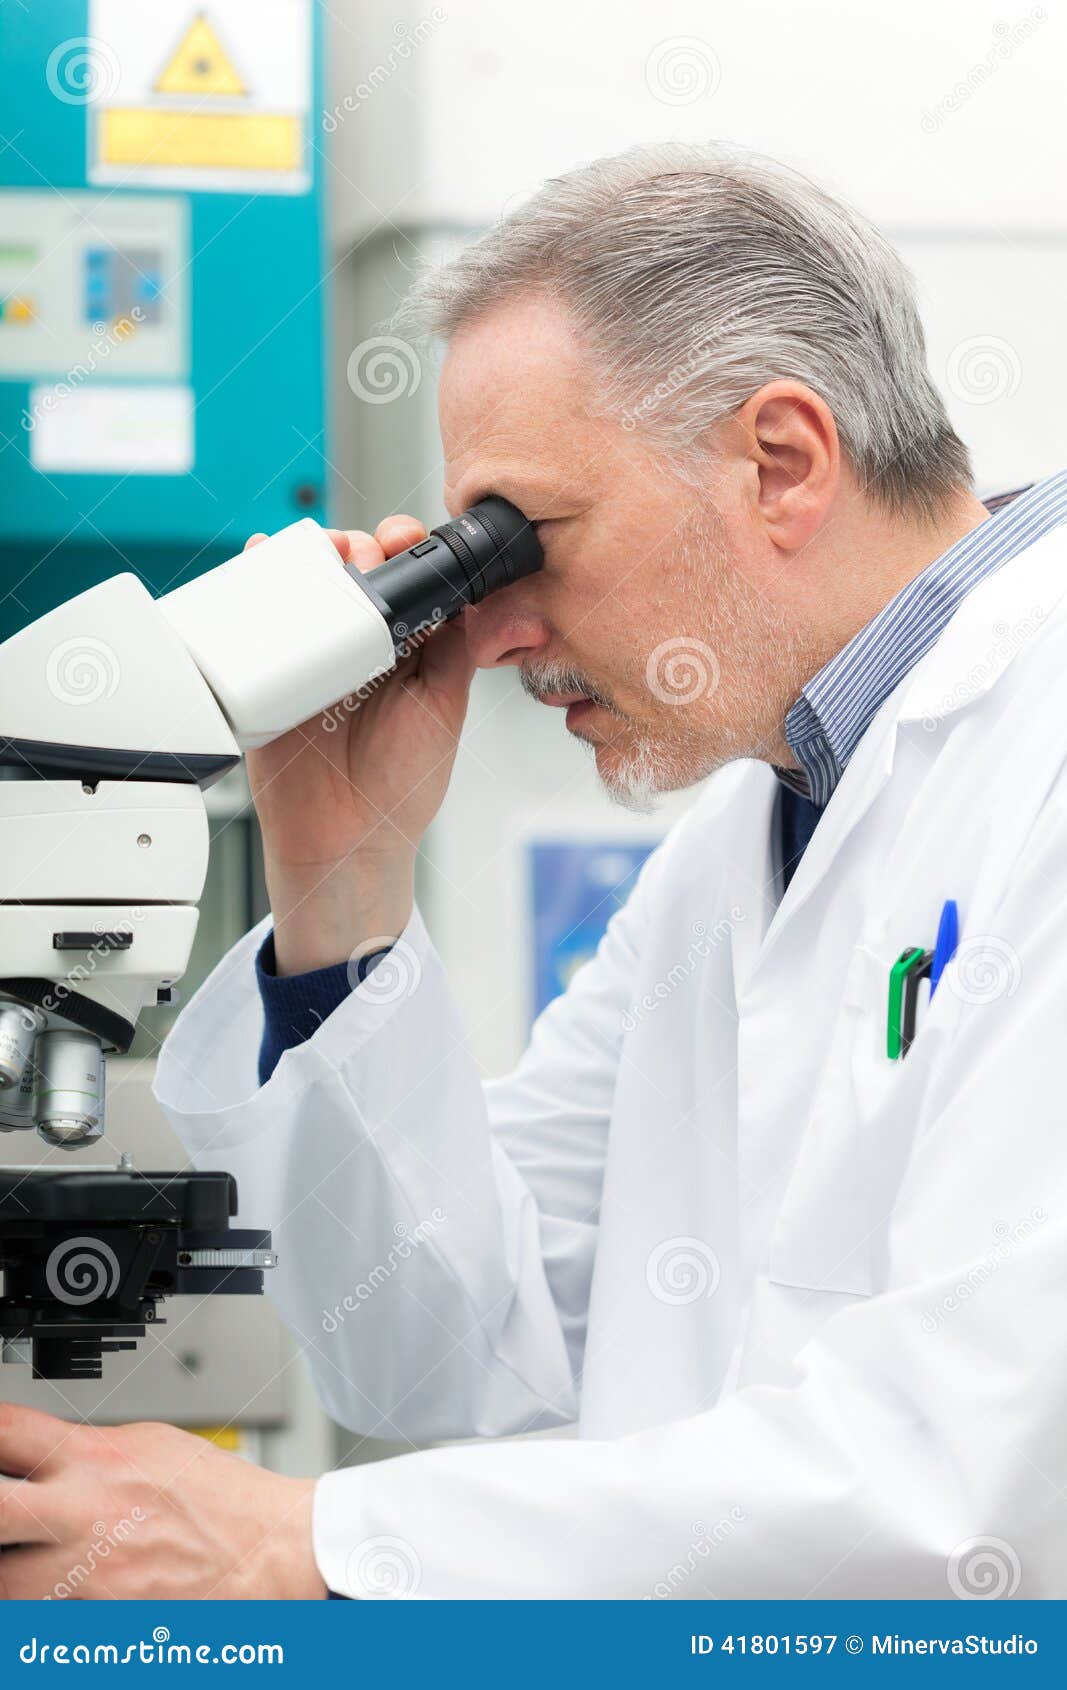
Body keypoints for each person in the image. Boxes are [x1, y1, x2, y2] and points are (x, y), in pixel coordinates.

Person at [3, 143, 1066, 1601]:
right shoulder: (730, 855)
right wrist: (344, 880)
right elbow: (439, 1350)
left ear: (781, 463)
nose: (491, 636)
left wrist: (292, 1538)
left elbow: (979, 1484)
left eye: (520, 539)